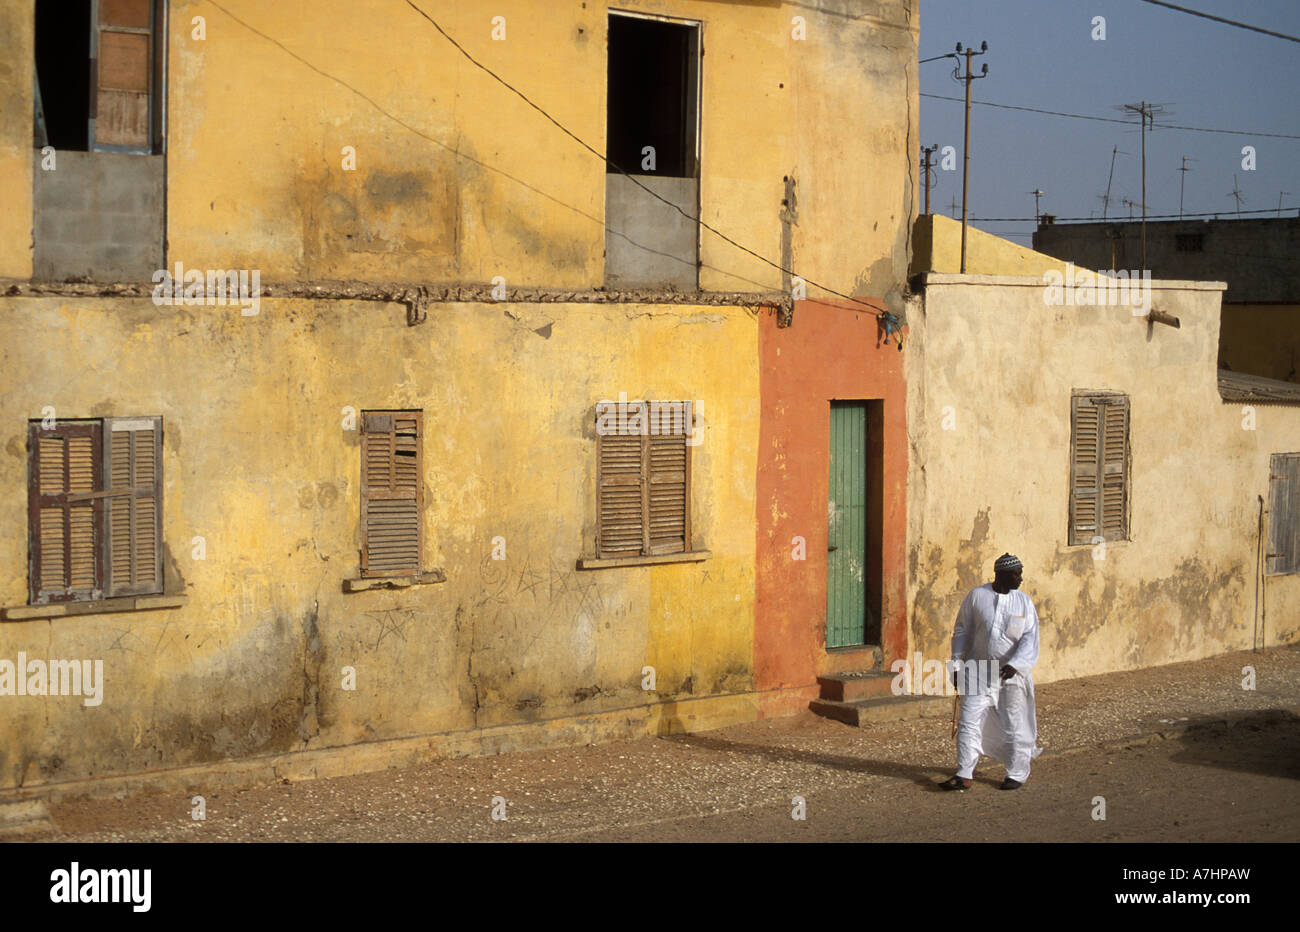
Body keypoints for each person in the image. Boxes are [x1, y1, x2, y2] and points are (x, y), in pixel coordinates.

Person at [939, 553, 1042, 791]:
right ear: (1001, 575)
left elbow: (1029, 638)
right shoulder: (977, 596)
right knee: (968, 721)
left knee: (1014, 722)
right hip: (977, 670)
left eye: (1020, 572)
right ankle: (964, 773)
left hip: (1011, 675)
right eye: (1016, 573)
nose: (1020, 578)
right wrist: (956, 664)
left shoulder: (1024, 602)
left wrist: (1016, 663)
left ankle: (1016, 773)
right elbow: (962, 630)